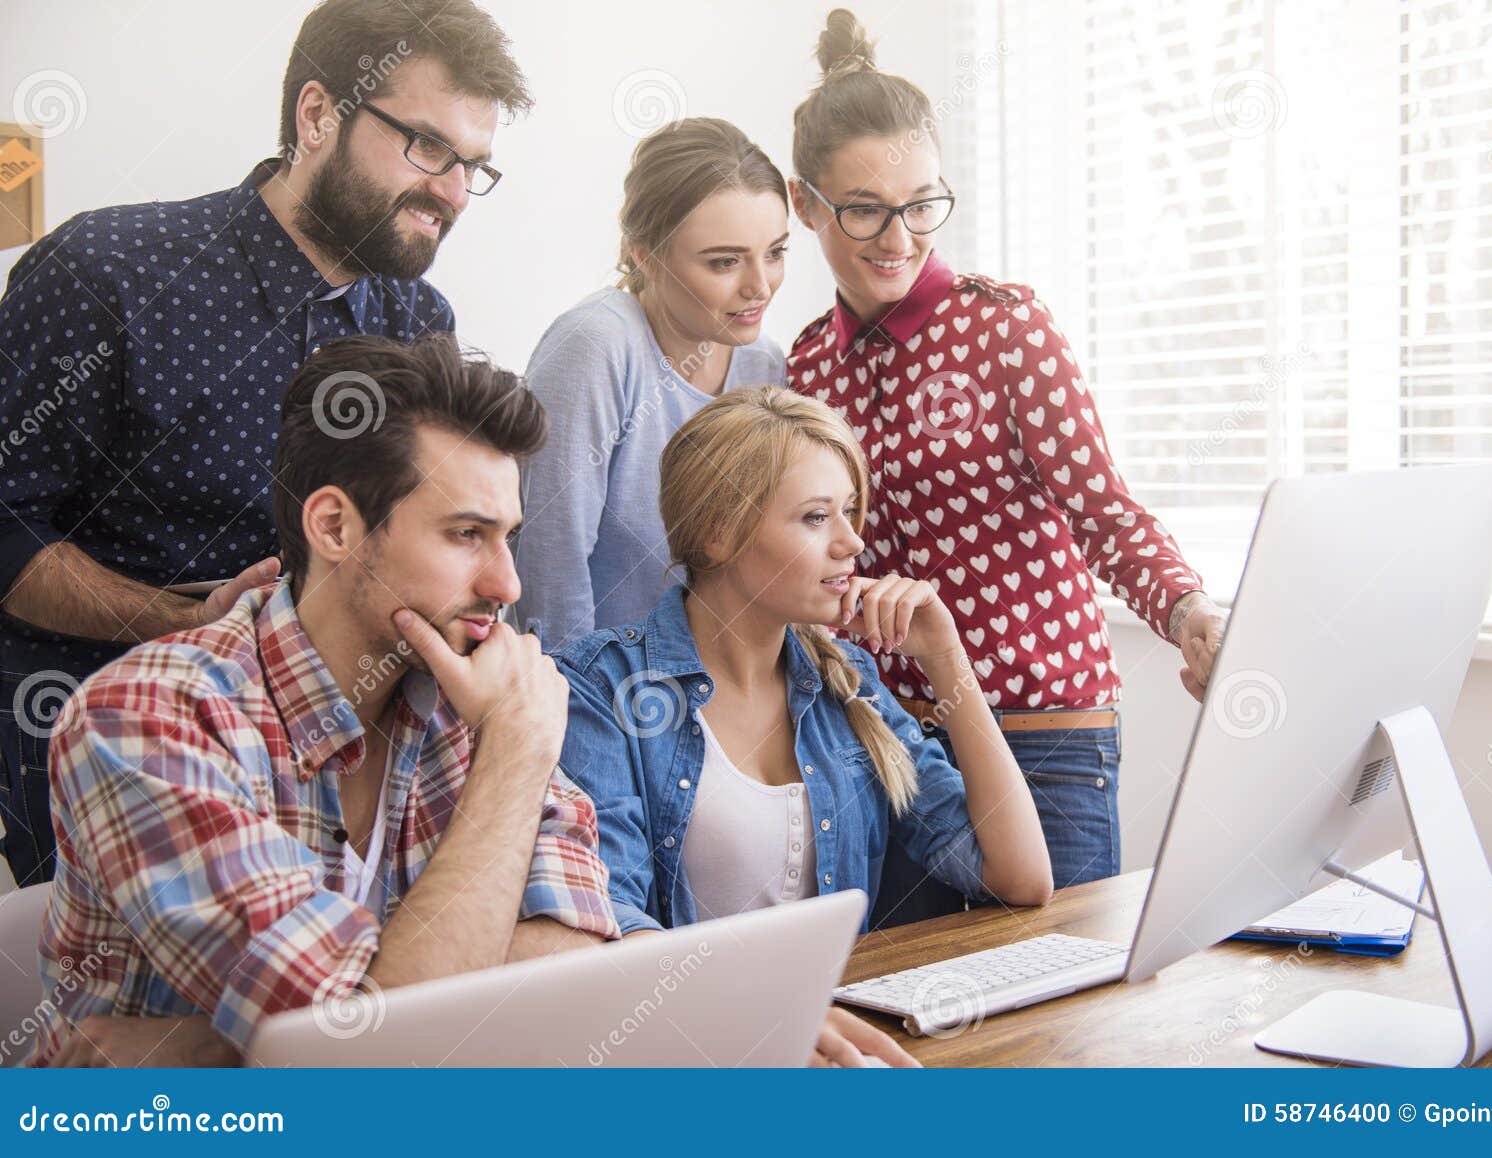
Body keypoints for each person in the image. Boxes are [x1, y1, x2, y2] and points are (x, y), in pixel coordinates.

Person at [0, 0, 530, 887]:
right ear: (317, 115)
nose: (449, 190)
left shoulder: (418, 325)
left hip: (349, 756)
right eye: (428, 148)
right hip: (119, 748)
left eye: (472, 166)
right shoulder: (109, 274)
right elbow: (5, 531)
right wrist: (184, 619)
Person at [29, 334, 618, 1066]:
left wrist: (233, 1049)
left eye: (509, 539)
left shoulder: (479, 694)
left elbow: (582, 964)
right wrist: (516, 758)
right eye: (466, 534)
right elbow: (373, 1065)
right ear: (335, 527)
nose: (508, 586)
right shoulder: (146, 716)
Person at [786, 9, 1228, 922]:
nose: (898, 238)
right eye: (864, 209)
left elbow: (1103, 510)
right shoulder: (807, 366)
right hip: (891, 749)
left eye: (921, 205)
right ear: (805, 205)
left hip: (1044, 735)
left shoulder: (1004, 326)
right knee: (917, 1018)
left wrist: (1184, 608)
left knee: (1058, 1029)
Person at [553, 386, 1052, 1064]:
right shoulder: (600, 685)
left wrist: (946, 656)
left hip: (831, 1052)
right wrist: (763, 1017)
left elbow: (1019, 876)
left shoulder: (846, 680)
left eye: (849, 512)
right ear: (717, 532)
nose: (852, 543)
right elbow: (609, 921)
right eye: (816, 517)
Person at [512, 118, 790, 649]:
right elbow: (551, 567)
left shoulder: (763, 364)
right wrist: (580, 716)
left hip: (716, 694)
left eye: (775, 252)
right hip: (603, 699)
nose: (760, 287)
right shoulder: (595, 347)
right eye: (725, 261)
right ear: (644, 251)